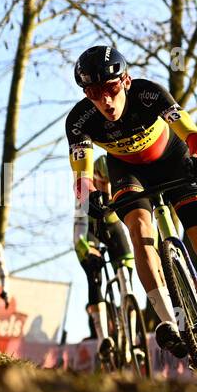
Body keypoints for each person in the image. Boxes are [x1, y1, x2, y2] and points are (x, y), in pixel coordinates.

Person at [65, 45, 197, 368]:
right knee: (140, 232)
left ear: (125, 81)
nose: (105, 101)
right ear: (86, 93)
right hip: (127, 173)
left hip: (173, 162)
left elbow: (195, 135)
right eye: (94, 93)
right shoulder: (79, 120)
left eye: (110, 89)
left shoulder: (149, 94)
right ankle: (168, 321)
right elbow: (81, 173)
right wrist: (88, 196)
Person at [73, 154, 136, 359]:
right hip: (89, 230)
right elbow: (79, 233)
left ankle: (132, 339)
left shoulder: (121, 185)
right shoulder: (85, 192)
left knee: (127, 277)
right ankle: (103, 339)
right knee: (94, 275)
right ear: (95, 177)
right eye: (102, 183)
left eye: (110, 183)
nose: (107, 189)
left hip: (113, 227)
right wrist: (88, 250)